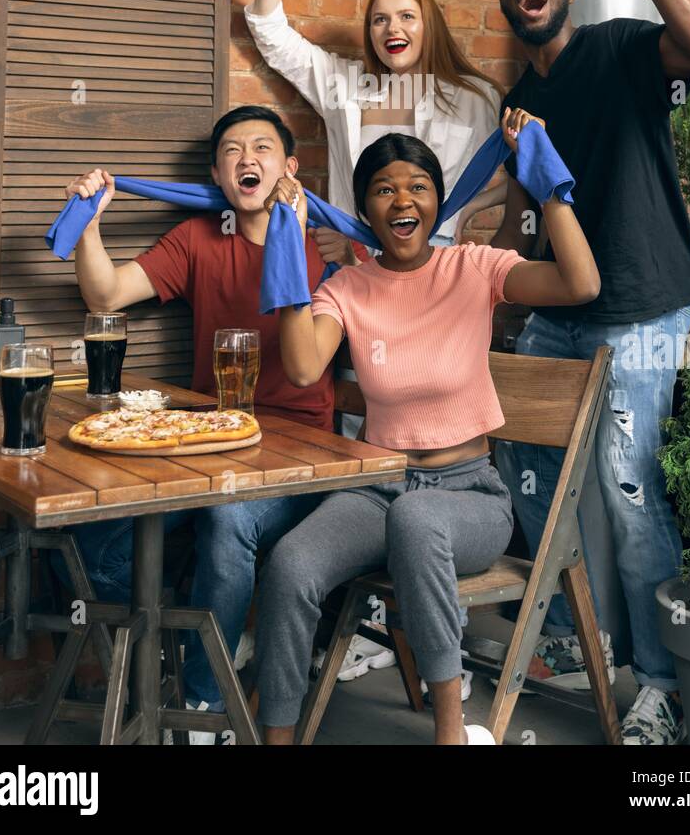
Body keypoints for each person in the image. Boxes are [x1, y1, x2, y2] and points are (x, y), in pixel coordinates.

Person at [253, 118, 601, 745]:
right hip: (379, 487)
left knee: (417, 520)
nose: (402, 200)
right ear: (365, 209)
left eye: (418, 186)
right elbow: (304, 366)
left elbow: (581, 283)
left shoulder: (474, 267)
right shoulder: (349, 287)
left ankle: (451, 735)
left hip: (468, 495)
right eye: (384, 190)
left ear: (439, 200)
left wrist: (548, 180)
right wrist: (285, 233)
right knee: (290, 563)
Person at [490, 0, 690, 745]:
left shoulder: (621, 48)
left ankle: (658, 686)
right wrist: (465, 287)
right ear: (504, 0)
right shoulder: (518, 101)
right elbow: (517, 230)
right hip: (558, 311)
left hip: (639, 304)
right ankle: (571, 632)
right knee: (516, 451)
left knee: (628, 489)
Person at [62, 105, 360, 740]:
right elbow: (107, 295)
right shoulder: (199, 238)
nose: (246, 158)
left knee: (226, 519)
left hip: (301, 453)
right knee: (94, 522)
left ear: (289, 168)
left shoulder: (328, 247)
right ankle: (166, 655)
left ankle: (201, 704)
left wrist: (343, 256)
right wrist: (89, 222)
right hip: (209, 438)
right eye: (231, 151)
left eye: (261, 147)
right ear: (219, 176)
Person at [245, 0, 507, 247]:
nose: (392, 28)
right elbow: (274, 39)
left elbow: (521, 176)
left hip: (434, 259)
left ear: (430, 26)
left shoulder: (476, 97)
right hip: (354, 262)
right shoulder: (345, 85)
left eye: (407, 17)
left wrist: (463, 212)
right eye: (380, 20)